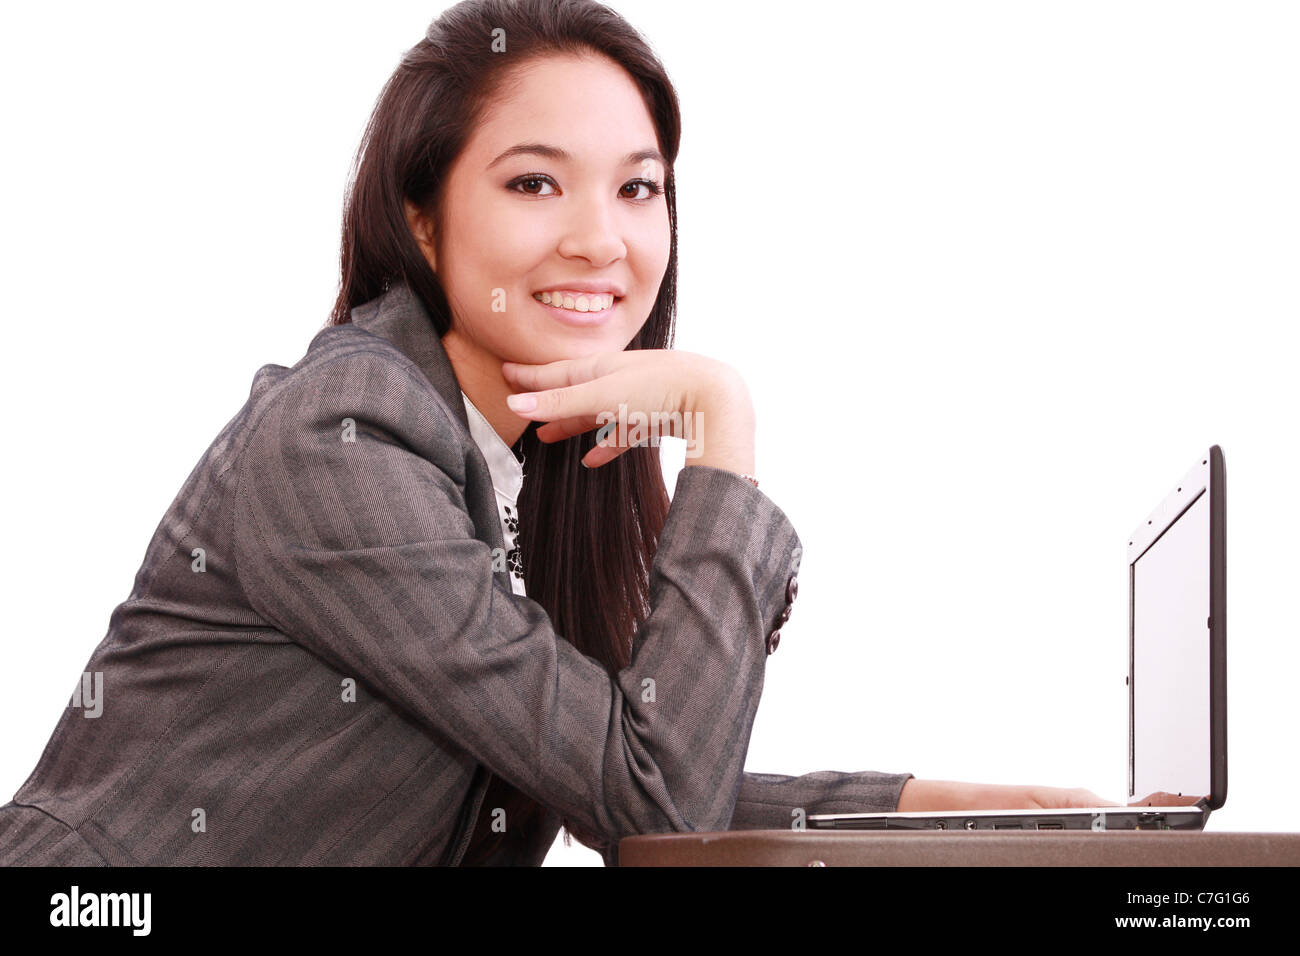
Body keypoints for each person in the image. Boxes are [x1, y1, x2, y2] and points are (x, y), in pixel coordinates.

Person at [0, 0, 1115, 868]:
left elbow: (633, 768)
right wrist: (722, 419)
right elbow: (651, 797)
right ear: (423, 218)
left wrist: (977, 811)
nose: (600, 239)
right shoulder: (343, 437)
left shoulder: (503, 477)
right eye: (536, 182)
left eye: (639, 190)